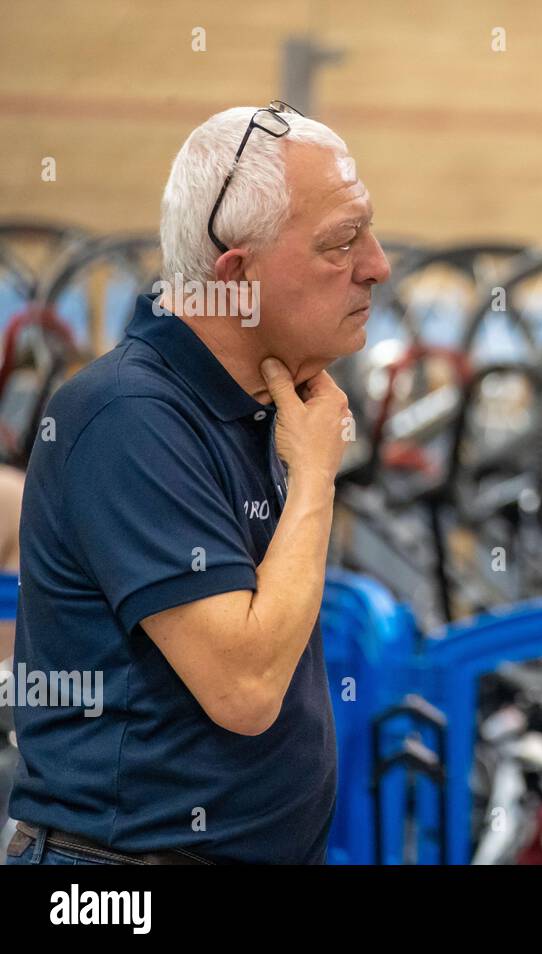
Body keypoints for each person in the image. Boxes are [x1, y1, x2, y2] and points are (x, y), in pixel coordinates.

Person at [5, 103, 390, 865]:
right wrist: (315, 477)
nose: (377, 264)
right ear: (236, 277)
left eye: (368, 232)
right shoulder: (128, 418)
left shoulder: (261, 403)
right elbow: (244, 688)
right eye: (340, 242)